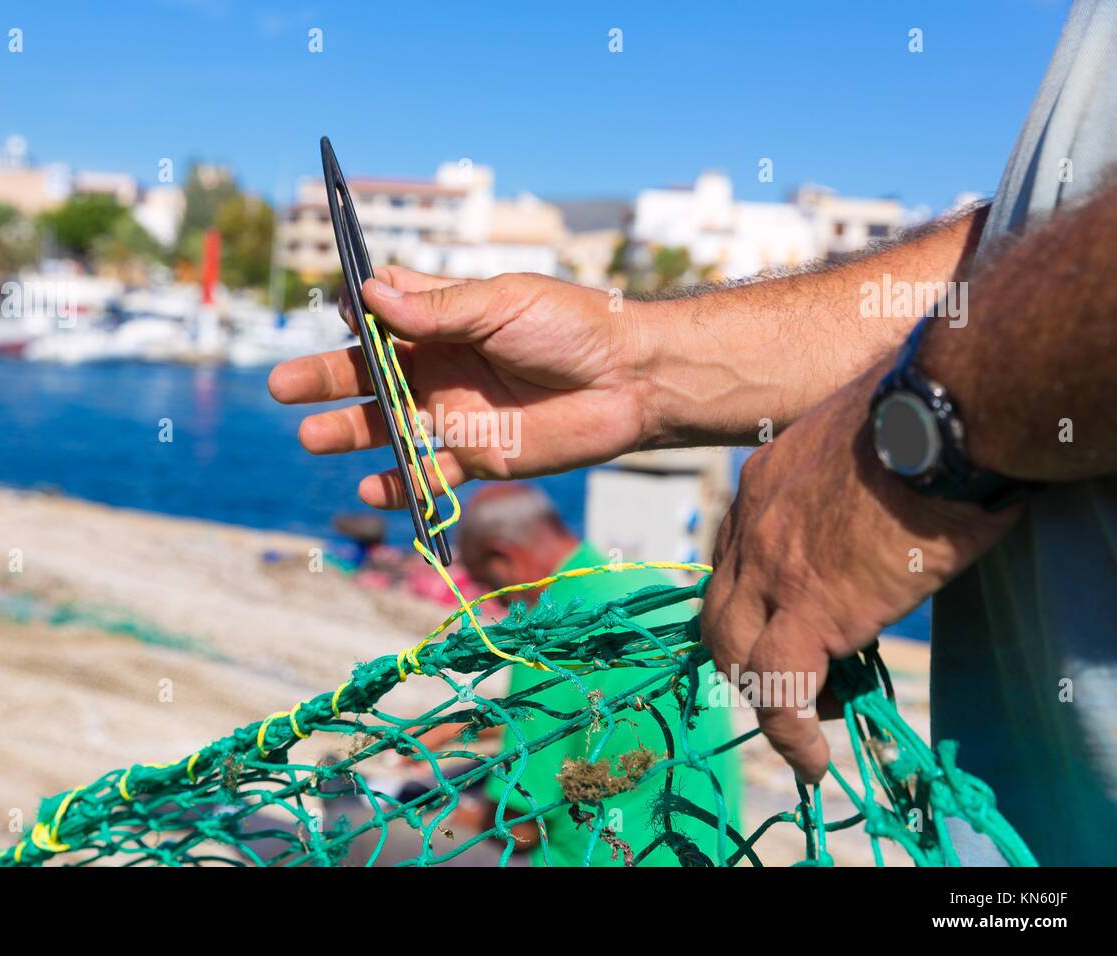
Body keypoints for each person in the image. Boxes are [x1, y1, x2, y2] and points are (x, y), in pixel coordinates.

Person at [270, 0, 1117, 865]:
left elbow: (520, 822)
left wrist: (914, 438)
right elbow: (1031, 233)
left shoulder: (563, 629)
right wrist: (637, 362)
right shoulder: (605, 594)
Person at [448, 483, 740, 866]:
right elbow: (608, 711)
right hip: (717, 849)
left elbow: (519, 829)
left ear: (502, 557)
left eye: (486, 585)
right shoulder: (648, 586)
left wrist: (459, 812)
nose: (494, 603)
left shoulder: (548, 636)